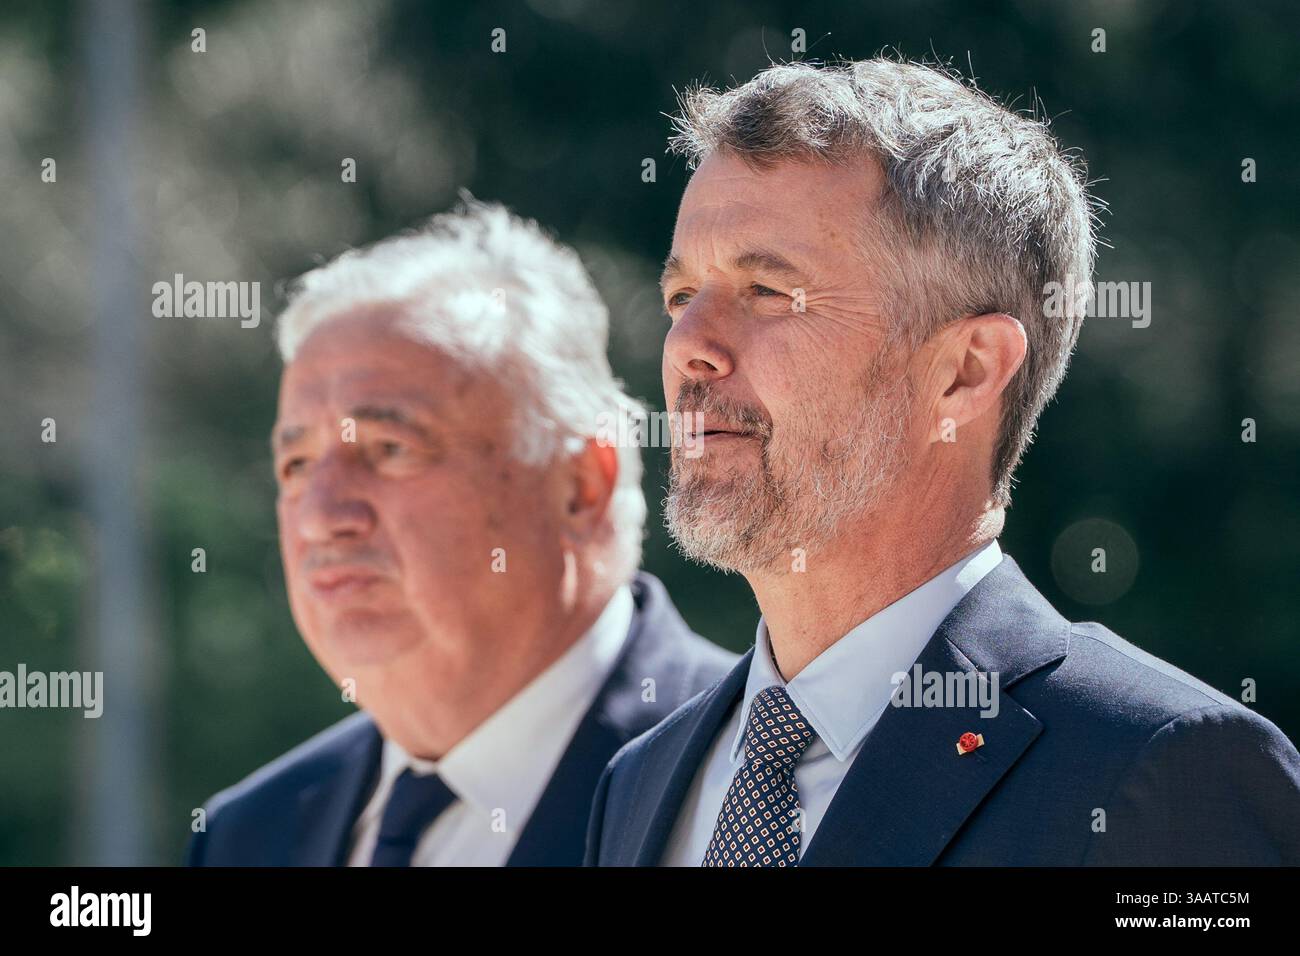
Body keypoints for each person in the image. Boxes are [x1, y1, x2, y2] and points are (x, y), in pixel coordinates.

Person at [585, 58, 1300, 866]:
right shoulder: (640, 783)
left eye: (768, 292)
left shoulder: (1164, 772)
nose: (687, 346)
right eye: (681, 297)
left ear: (965, 371)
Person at [187, 201, 735, 866]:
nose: (322, 514)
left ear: (580, 484)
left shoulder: (747, 778)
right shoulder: (248, 836)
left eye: (389, 449)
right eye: (296, 464)